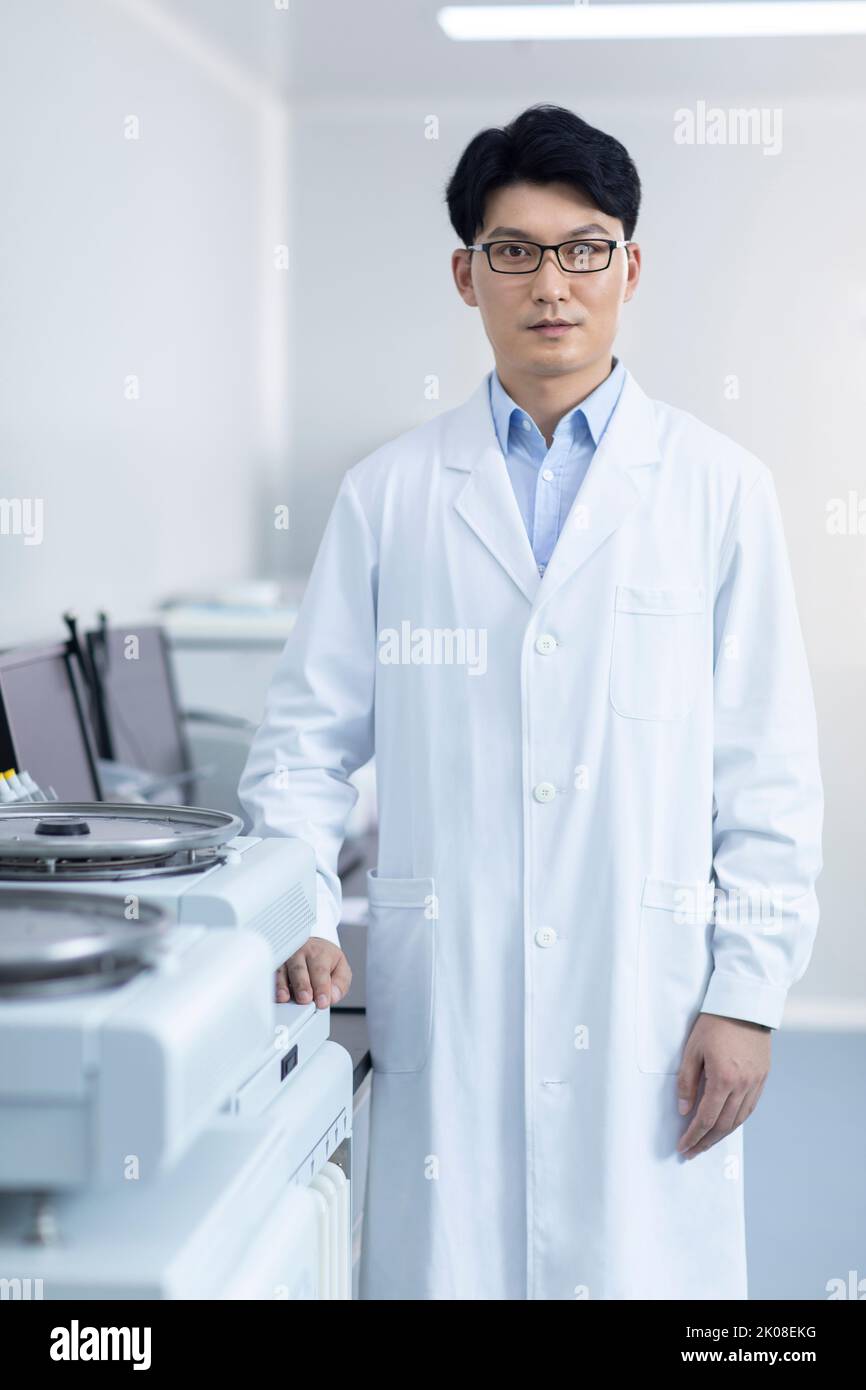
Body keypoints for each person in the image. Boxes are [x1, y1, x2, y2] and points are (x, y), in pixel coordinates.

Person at [237, 103, 823, 1300]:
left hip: (648, 994)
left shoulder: (717, 491)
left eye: (583, 247)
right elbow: (302, 743)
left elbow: (766, 768)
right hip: (450, 995)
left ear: (629, 266)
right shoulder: (389, 496)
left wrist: (747, 991)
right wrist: (294, 903)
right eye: (514, 250)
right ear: (466, 274)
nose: (550, 282)